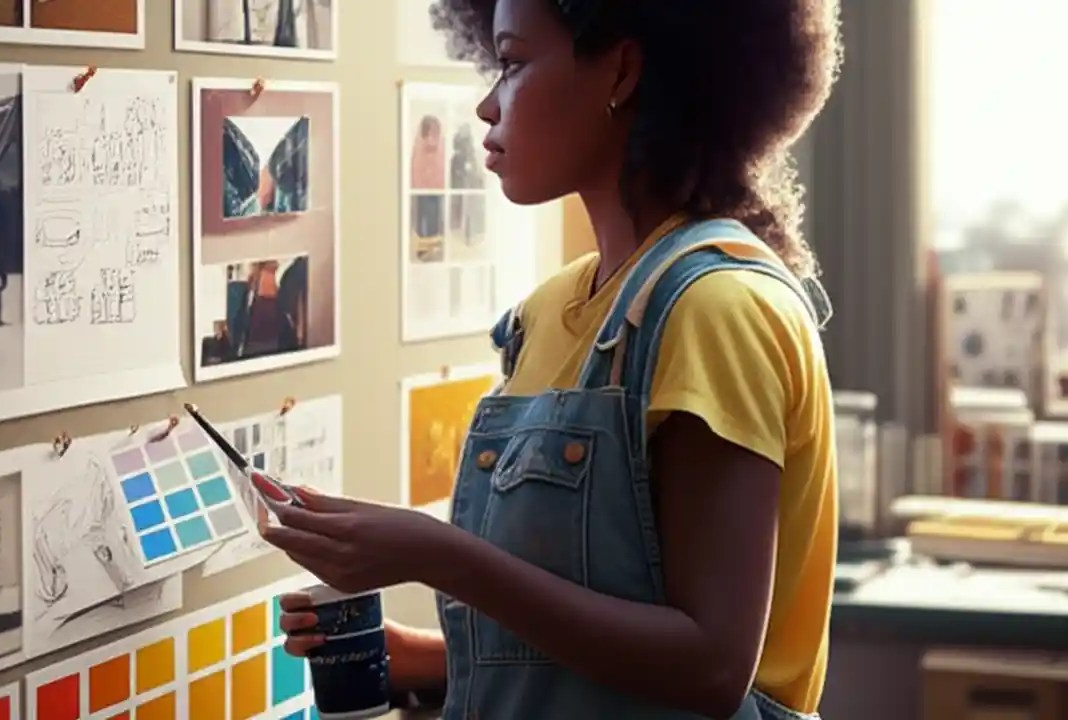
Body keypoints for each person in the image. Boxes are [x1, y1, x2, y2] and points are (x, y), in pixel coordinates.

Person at [259, 0, 842, 717]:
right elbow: (593, 642)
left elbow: (710, 667)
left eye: (511, 62)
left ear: (621, 70)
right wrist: (427, 661)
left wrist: (436, 555)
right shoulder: (549, 310)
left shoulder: (717, 310)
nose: (485, 104)